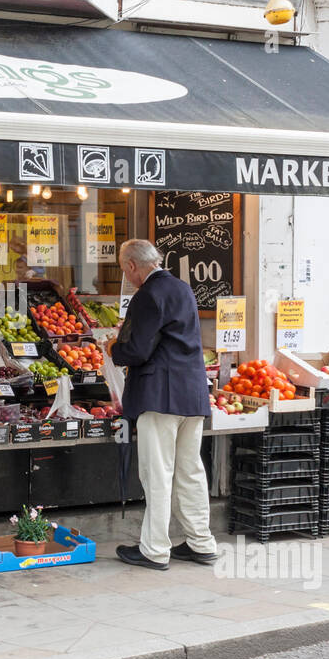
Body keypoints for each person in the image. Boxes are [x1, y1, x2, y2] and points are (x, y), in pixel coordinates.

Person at [104, 239, 218, 570]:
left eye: (125, 269)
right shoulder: (182, 289)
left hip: (159, 396)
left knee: (158, 473)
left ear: (131, 266)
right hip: (192, 394)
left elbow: (138, 350)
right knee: (190, 471)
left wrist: (114, 349)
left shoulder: (147, 296)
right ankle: (201, 542)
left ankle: (154, 549)